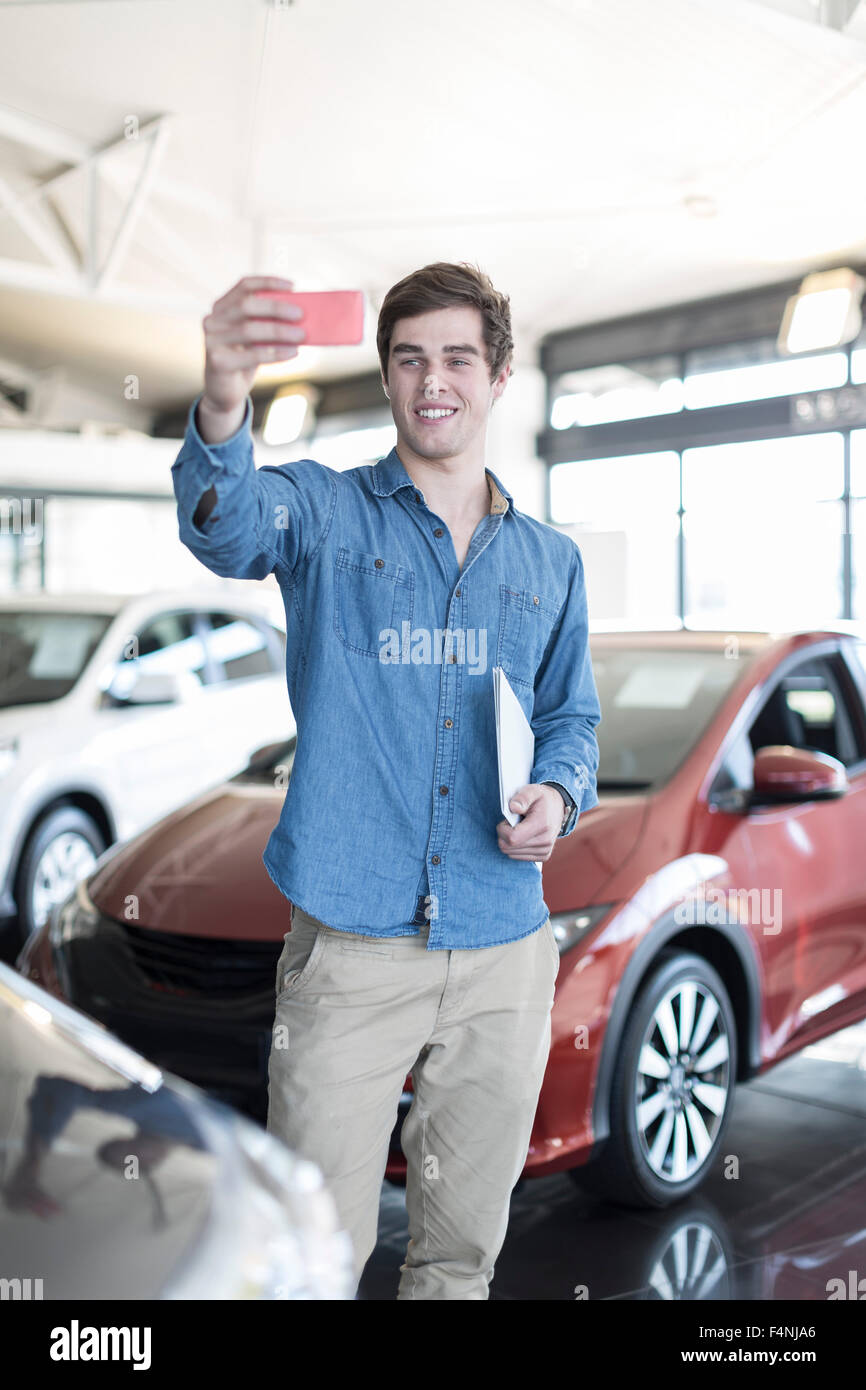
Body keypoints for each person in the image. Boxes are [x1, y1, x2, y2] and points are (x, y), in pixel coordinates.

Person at [170, 260, 602, 1299]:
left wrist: (559, 792)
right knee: (310, 1259)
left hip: (502, 948)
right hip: (350, 950)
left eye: (457, 356)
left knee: (458, 1260)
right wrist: (225, 392)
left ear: (498, 377)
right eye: (409, 359)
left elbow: (570, 719)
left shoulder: (549, 562)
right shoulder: (325, 514)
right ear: (389, 378)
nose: (432, 379)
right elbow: (224, 526)